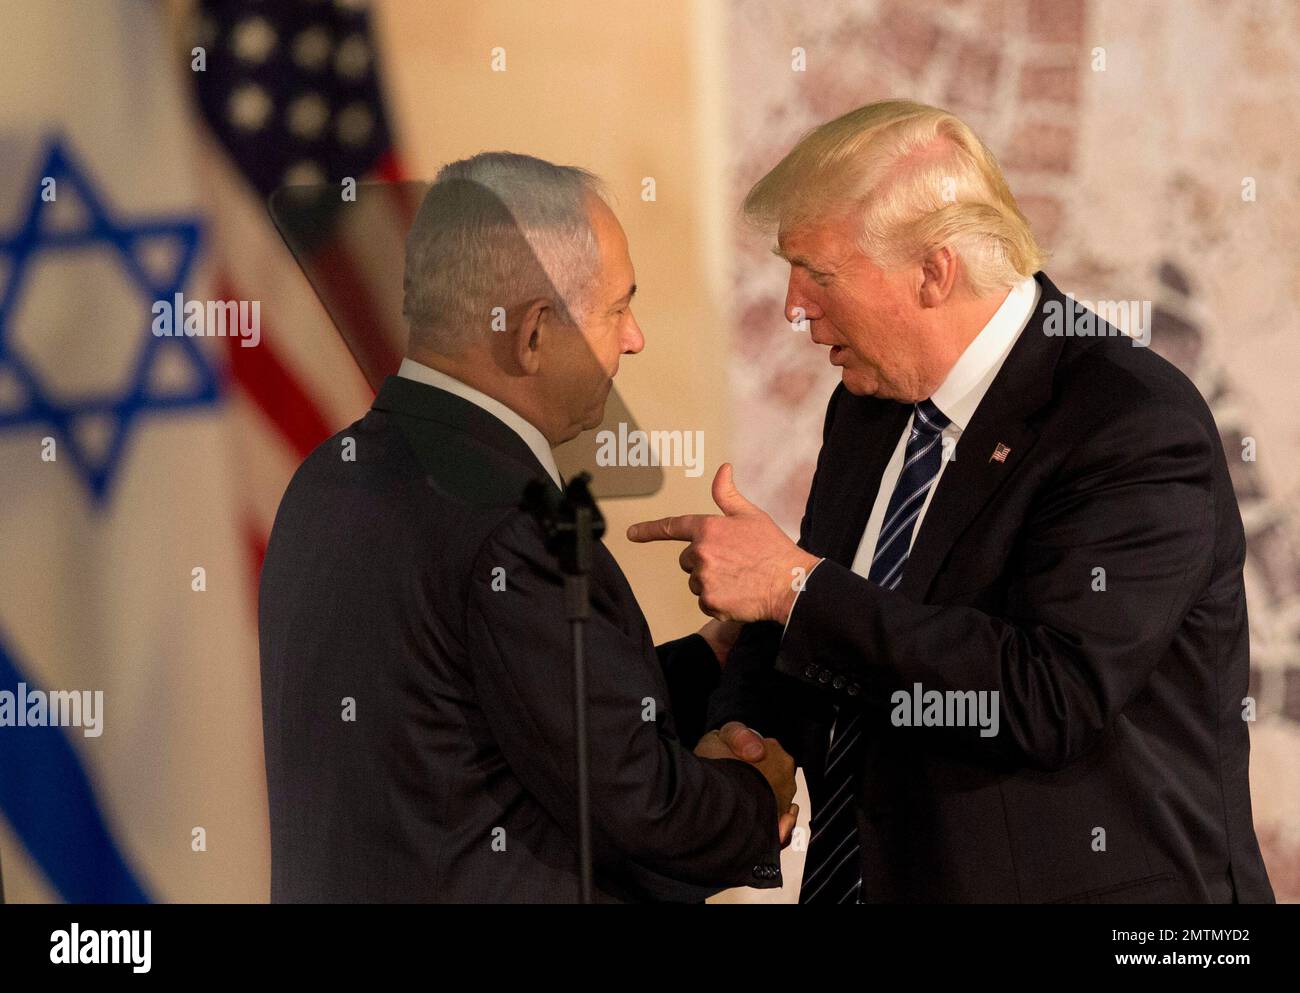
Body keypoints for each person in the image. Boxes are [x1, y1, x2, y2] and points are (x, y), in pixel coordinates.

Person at [629, 100, 1275, 904]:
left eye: (818, 274)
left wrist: (791, 586)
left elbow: (1049, 696)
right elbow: (835, 622)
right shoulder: (869, 401)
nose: (794, 304)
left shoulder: (1131, 423)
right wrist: (746, 728)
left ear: (933, 272)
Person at [259, 152, 795, 902]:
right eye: (617, 308)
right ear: (534, 335)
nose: (635, 338)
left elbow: (495, 713)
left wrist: (707, 660)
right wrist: (752, 795)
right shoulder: (509, 517)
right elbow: (633, 797)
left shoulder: (326, 476)